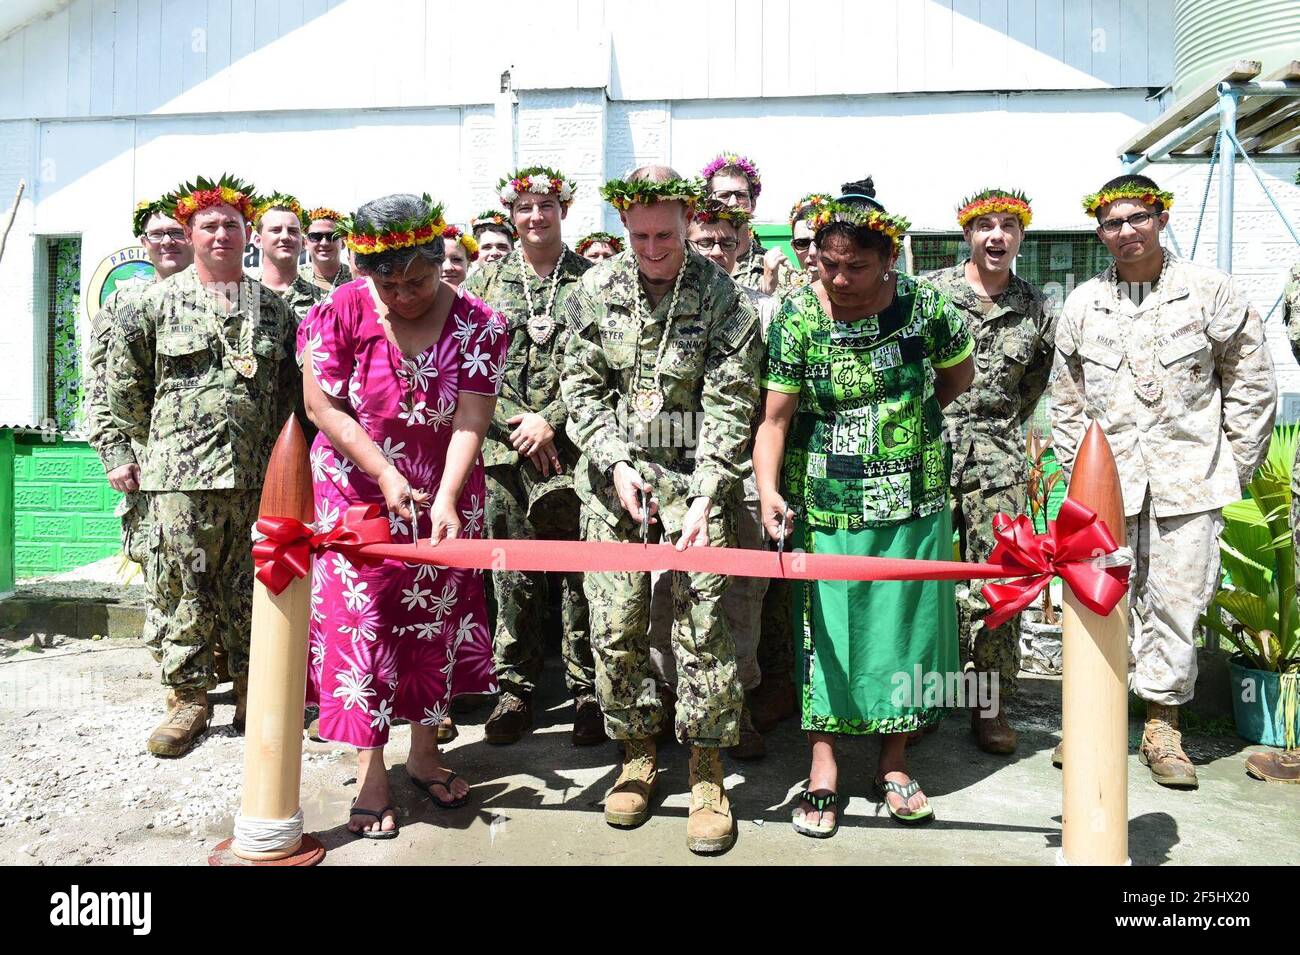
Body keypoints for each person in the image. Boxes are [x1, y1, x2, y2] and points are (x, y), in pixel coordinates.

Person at [753, 195, 975, 836]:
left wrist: (900, 429)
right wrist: (769, 489)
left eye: (854, 267)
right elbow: (775, 417)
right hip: (825, 499)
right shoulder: (797, 315)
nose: (838, 280)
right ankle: (823, 768)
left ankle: (894, 764)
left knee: (904, 629)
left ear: (887, 260)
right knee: (827, 629)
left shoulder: (925, 308)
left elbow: (956, 377)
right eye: (826, 264)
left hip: (913, 497)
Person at [1052, 174, 1276, 788]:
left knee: (1177, 604)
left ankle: (1162, 725)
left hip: (1189, 480)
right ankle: (1092, 722)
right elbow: (1067, 400)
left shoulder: (1210, 294)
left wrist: (1231, 466)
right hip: (1106, 488)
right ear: (1100, 231)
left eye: (1137, 218)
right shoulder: (1081, 305)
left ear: (1161, 218)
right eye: (1112, 223)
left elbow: (1252, 386)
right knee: (1101, 600)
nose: (1126, 232)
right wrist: (1078, 478)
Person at [562, 166, 761, 853]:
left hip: (696, 487)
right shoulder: (592, 291)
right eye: (640, 235)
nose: (652, 248)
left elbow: (732, 402)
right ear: (624, 227)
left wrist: (708, 491)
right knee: (615, 627)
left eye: (666, 235)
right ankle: (638, 752)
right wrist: (615, 461)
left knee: (705, 629)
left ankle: (708, 767)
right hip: (614, 486)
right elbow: (581, 387)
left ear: (687, 224)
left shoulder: (722, 296)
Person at [299, 193, 506, 836]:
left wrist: (444, 495)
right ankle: (371, 772)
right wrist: (385, 472)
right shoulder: (340, 308)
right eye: (387, 283)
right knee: (365, 624)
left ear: (441, 261)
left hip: (444, 489)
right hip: (356, 488)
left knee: (430, 626)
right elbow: (323, 409)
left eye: (418, 280)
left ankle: (423, 754)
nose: (403, 295)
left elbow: (472, 417)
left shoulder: (479, 323)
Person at [106, 174, 300, 758]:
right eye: (209, 225)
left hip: (258, 479)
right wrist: (151, 451)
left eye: (232, 225)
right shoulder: (153, 303)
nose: (222, 234)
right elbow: (124, 389)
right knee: (180, 589)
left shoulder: (274, 309)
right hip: (180, 481)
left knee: (254, 587)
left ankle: (251, 689)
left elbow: (290, 393)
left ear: (249, 236)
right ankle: (188, 700)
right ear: (190, 235)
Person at [463, 165, 600, 747]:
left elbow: (606, 363)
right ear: (511, 215)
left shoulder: (594, 282)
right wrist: (521, 425)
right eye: (525, 207)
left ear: (564, 209)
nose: (535, 217)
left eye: (546, 205)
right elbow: (469, 366)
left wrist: (555, 423)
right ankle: (515, 689)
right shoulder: (483, 283)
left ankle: (587, 690)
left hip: (573, 447)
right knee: (510, 572)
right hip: (502, 449)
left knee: (579, 572)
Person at [924, 188, 1055, 755]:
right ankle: (921, 696)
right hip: (924, 450)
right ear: (967, 235)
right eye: (985, 226)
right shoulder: (930, 295)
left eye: (1008, 226)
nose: (996, 236)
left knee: (1003, 578)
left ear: (1021, 237)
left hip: (998, 458)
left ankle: (989, 702)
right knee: (920, 571)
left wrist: (994, 432)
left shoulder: (1036, 306)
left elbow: (1034, 385)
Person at [665, 198, 773, 758]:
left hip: (745, 478)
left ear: (742, 245)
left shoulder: (763, 310)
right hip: (681, 476)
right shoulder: (667, 303)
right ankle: (675, 709)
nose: (714, 252)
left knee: (742, 599)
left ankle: (741, 709)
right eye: (703, 242)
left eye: (724, 243)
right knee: (673, 599)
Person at [85, 195, 193, 575]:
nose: (167, 242)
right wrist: (115, 454)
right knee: (159, 562)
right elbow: (99, 383)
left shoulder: (224, 297)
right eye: (157, 234)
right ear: (144, 242)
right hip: (146, 462)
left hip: (210, 465)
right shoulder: (123, 302)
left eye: (176, 233)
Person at [702, 151, 791, 294]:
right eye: (723, 195)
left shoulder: (774, 266)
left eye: (741, 195)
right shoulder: (696, 261)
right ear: (708, 202)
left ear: (753, 204)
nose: (732, 203)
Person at [251, 193, 322, 323]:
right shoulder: (243, 295)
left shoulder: (323, 301)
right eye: (276, 230)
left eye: (293, 231)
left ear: (303, 242)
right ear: (257, 240)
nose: (285, 237)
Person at [301, 207, 353, 293]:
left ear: (343, 243)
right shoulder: (293, 278)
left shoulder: (355, 279)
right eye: (315, 236)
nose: (324, 243)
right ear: (305, 243)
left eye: (332, 236)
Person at [787, 192, 832, 285]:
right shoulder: (785, 295)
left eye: (820, 241)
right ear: (793, 248)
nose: (812, 252)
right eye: (802, 243)